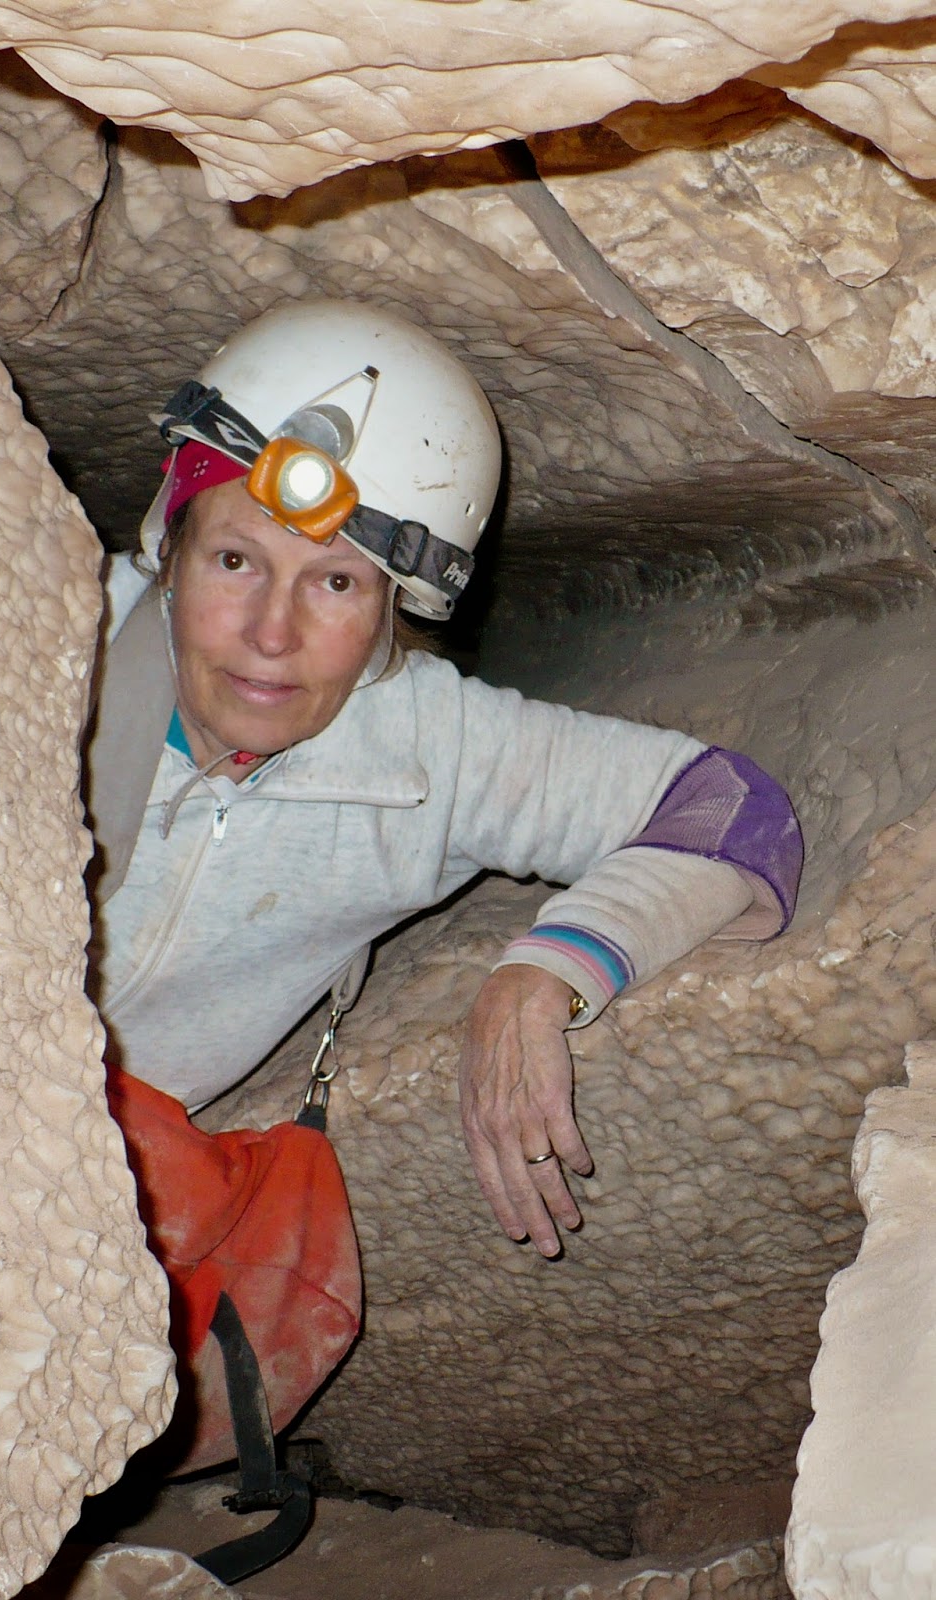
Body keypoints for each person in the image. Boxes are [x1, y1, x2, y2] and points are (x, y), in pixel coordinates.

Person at [85, 297, 803, 1267]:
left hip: (92, 1189)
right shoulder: (53, 636)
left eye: (335, 582)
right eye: (232, 559)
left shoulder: (430, 748)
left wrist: (543, 973)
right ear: (165, 548)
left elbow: (734, 815)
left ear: (394, 607)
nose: (271, 630)